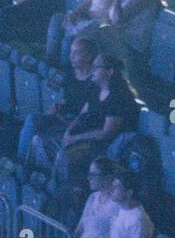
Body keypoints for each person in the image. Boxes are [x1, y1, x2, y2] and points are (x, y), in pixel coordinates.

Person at [56, 50, 140, 184]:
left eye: (96, 67)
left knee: (65, 156)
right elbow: (82, 114)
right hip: (84, 137)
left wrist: (74, 139)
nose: (92, 70)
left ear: (110, 71)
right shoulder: (94, 88)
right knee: (40, 141)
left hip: (103, 146)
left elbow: (106, 134)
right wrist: (68, 133)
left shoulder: (119, 96)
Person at [22, 34, 101, 164]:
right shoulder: (70, 76)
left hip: (78, 126)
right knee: (32, 119)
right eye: (71, 52)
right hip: (64, 117)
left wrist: (64, 119)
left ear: (89, 56)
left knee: (39, 139)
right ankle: (21, 161)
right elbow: (67, 101)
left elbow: (86, 116)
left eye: (77, 53)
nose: (71, 56)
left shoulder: (95, 81)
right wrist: (58, 107)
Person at [101, 0, 163, 79]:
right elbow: (109, 15)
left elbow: (119, 20)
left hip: (132, 43)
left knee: (97, 33)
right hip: (119, 36)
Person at [105, 170, 154, 238]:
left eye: (116, 187)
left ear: (129, 193)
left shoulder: (138, 220)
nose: (111, 190)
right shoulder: (118, 206)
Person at [74, 157, 120, 238]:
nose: (89, 178)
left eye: (93, 175)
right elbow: (80, 227)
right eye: (89, 174)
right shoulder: (92, 197)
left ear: (107, 177)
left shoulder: (117, 204)